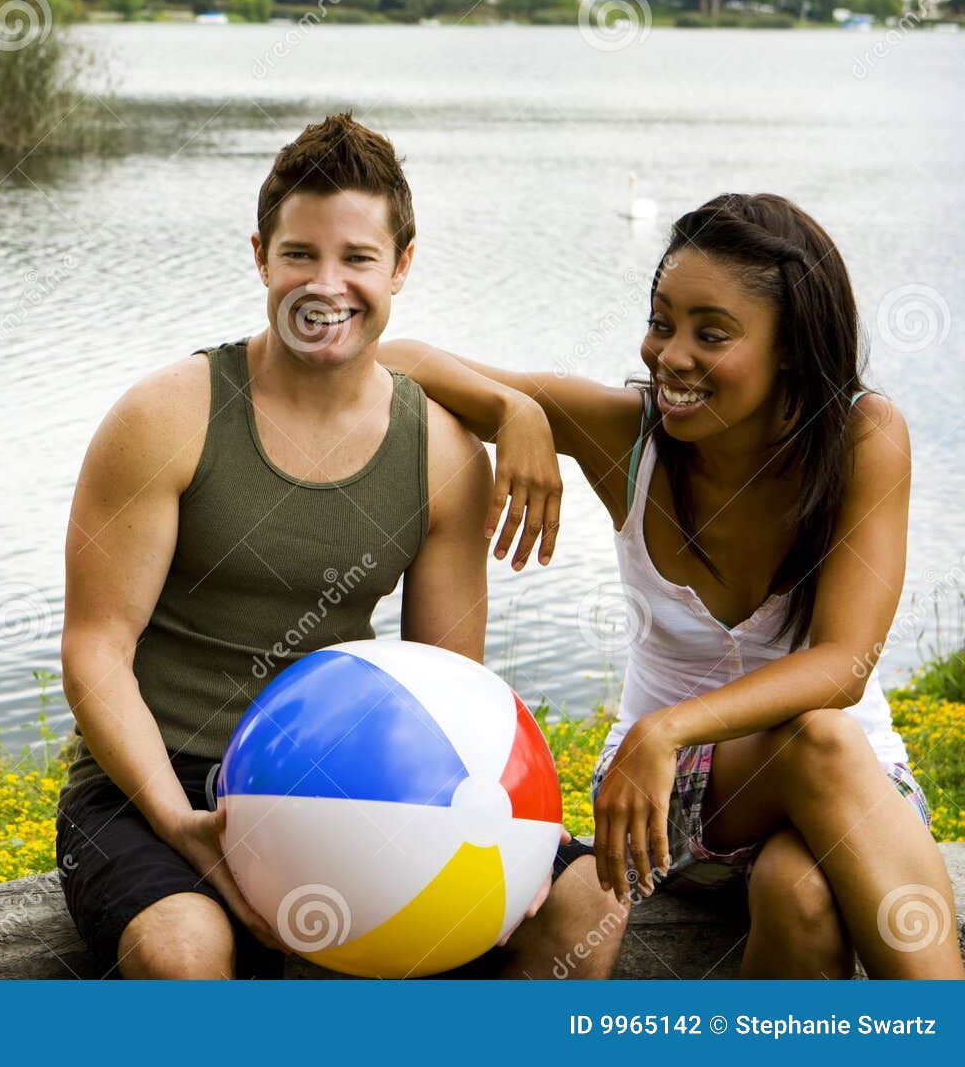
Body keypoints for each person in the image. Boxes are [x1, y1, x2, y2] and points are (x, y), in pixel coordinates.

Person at [57, 113, 623, 980]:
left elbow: (449, 693)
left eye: (357, 258)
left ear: (400, 265)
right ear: (260, 255)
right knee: (185, 951)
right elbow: (96, 648)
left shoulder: (440, 455)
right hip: (153, 782)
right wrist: (181, 823)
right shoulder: (165, 418)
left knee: (590, 900)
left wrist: (509, 833)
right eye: (300, 255)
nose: (327, 286)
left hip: (339, 779)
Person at [380, 192, 964, 978]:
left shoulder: (863, 437)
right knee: (819, 737)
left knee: (801, 892)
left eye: (710, 333)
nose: (671, 355)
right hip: (662, 803)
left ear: (790, 348)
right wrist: (516, 408)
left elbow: (846, 664)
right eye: (663, 322)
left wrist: (673, 725)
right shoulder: (629, 434)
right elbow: (393, 356)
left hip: (850, 783)